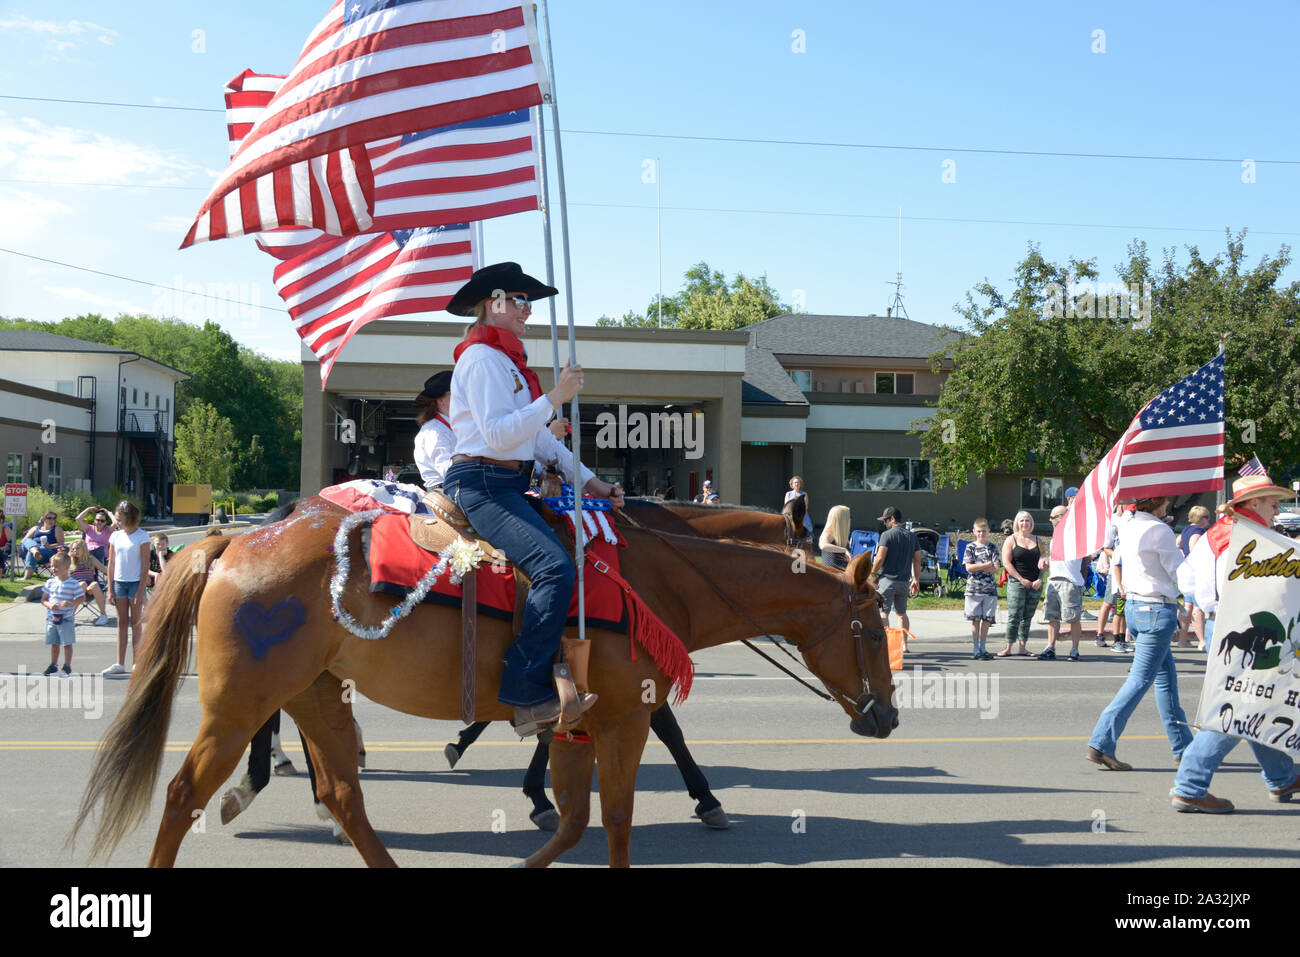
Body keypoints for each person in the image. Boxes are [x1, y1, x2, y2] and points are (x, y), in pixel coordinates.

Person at [441, 262, 623, 736]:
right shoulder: (482, 359)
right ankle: (524, 689)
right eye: (518, 300)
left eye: (528, 301)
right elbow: (500, 436)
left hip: (500, 480)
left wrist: (591, 482)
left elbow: (538, 440)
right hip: (481, 482)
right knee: (555, 566)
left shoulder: (506, 361)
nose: (527, 310)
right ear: (491, 304)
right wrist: (556, 397)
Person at [1169, 474, 1299, 812]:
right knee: (1235, 711)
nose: (1277, 510)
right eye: (1272, 503)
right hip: (1247, 629)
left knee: (1258, 702)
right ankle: (1189, 785)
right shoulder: (1254, 539)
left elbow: (1186, 579)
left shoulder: (1215, 534)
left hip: (1220, 626)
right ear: (1254, 503)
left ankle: (1282, 776)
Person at [1085, 496, 1193, 771]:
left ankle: (1185, 748)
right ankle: (1101, 742)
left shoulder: (1127, 524)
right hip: (1156, 608)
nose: (1169, 504)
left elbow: (1118, 559)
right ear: (1157, 503)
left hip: (1134, 605)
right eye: (1165, 501)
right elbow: (1180, 573)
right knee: (1141, 680)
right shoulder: (1159, 530)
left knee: (1166, 681)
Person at [104, 500, 150, 675]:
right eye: (116, 519)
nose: (117, 522)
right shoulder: (115, 536)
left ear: (129, 518)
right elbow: (111, 563)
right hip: (119, 582)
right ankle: (119, 663)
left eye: (120, 519)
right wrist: (109, 588)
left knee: (136, 623)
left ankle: (137, 662)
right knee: (121, 622)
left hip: (135, 583)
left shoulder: (142, 536)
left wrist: (140, 590)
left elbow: (145, 564)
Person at [869, 506, 921, 652]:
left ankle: (885, 645)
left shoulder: (886, 535)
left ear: (892, 519)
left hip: (887, 580)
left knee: (883, 612)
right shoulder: (912, 536)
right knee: (901, 613)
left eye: (886, 520)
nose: (884, 523)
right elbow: (917, 560)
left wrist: (872, 572)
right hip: (904, 581)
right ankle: (904, 645)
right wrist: (916, 579)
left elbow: (880, 557)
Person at [1038, 505, 1085, 661]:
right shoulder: (1055, 536)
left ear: (1062, 517)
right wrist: (1045, 560)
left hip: (1070, 581)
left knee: (1072, 618)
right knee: (1052, 617)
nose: (1050, 520)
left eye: (1053, 517)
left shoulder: (1075, 534)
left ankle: (1074, 649)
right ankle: (1050, 647)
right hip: (1054, 579)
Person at [999, 510, 1048, 657]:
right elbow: (1006, 563)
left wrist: (1040, 579)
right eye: (1021, 520)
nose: (1024, 523)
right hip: (1017, 583)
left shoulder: (1038, 540)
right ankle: (1008, 648)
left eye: (1027, 520)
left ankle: (1023, 647)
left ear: (1031, 523)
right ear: (1017, 523)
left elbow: (1044, 561)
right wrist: (1021, 579)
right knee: (1014, 616)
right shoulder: (1011, 540)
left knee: (1027, 617)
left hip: (1035, 585)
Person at [40, 551, 84, 676]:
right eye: (52, 566)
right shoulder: (50, 582)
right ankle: (53, 664)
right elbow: (43, 599)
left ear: (66, 567)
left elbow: (81, 598)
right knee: (54, 642)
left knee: (67, 642)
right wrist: (50, 605)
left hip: (66, 618)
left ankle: (67, 666)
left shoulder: (73, 583)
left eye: (57, 566)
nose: (54, 569)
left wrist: (71, 603)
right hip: (52, 617)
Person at [963, 518, 999, 660]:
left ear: (988, 531)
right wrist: (986, 565)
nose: (981, 534)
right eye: (978, 531)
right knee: (975, 620)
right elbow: (969, 568)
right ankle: (976, 648)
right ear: (974, 532)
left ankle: (983, 647)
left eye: (984, 531)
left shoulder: (993, 548)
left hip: (989, 590)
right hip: (974, 589)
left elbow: (996, 569)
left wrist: (981, 566)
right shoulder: (970, 548)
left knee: (987, 620)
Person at [413, 370, 456, 491]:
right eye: (456, 393)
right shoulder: (434, 431)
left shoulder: (446, 427)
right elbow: (448, 471)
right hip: (445, 493)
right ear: (441, 400)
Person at [1177, 505, 1212, 650]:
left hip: (1186, 571)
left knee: (1188, 606)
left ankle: (1182, 639)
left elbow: (1178, 543)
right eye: (1206, 517)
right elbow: (1195, 549)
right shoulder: (1198, 531)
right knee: (1198, 608)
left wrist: (1183, 555)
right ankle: (1202, 640)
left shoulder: (1186, 529)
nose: (1209, 520)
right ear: (1200, 518)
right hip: (1196, 572)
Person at [67, 540, 110, 625]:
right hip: (75, 588)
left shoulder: (91, 559)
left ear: (84, 549)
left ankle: (103, 615)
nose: (75, 551)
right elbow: (63, 574)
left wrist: (112, 581)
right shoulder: (70, 561)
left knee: (95, 584)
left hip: (90, 587)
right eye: (73, 549)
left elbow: (105, 571)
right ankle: (70, 616)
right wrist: (68, 558)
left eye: (78, 548)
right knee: (82, 584)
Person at [20, 508, 64, 580]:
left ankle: (26, 577)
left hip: (47, 552)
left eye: (54, 518)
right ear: (43, 519)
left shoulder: (57, 529)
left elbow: (61, 544)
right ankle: (34, 550)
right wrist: (34, 547)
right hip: (31, 549)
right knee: (27, 540)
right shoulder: (35, 528)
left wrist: (49, 546)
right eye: (49, 518)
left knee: (31, 553)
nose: (52, 520)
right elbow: (23, 541)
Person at [818, 504, 851, 570]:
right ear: (841, 520)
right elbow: (823, 546)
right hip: (830, 576)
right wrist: (844, 550)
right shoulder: (829, 533)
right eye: (848, 517)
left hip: (841, 574)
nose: (850, 519)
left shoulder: (842, 536)